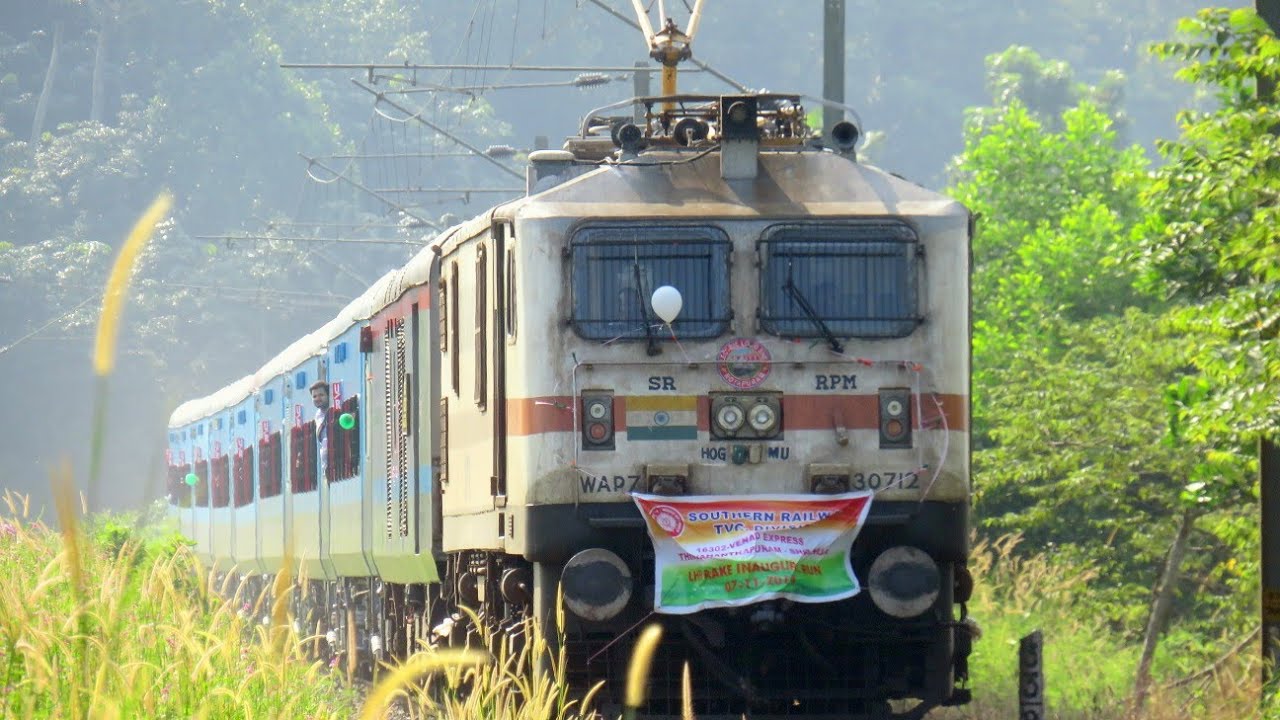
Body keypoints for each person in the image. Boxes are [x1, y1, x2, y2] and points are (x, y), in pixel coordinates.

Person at [309, 380, 330, 483]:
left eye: (321, 395)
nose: (317, 398)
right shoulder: (318, 415)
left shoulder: (333, 410)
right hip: (326, 467)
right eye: (314, 396)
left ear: (328, 395)